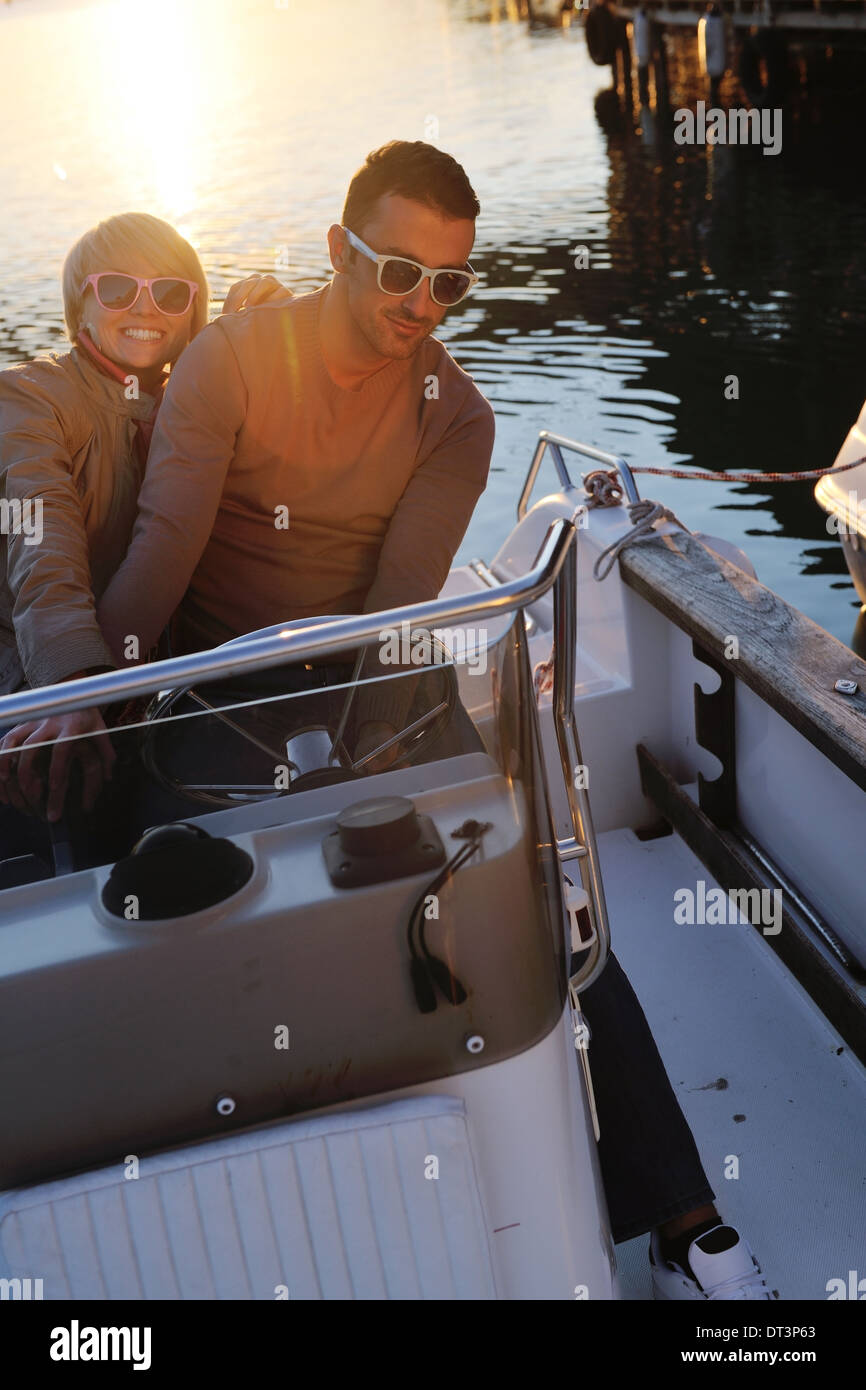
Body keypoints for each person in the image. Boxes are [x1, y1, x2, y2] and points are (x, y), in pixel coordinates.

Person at [1, 145, 770, 1300]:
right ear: (336, 251)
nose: (420, 305)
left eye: (448, 284)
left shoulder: (454, 414)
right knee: (171, 909)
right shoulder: (227, 359)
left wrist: (346, 770)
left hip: (380, 685)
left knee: (533, 897)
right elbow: (155, 566)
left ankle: (686, 1219)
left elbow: (402, 608)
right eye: (397, 270)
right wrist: (84, 704)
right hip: (219, 692)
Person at [0, 211, 290, 821]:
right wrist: (75, 683)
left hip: (162, 677)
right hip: (38, 670)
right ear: (80, 305)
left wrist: (268, 340)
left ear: (192, 310)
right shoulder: (28, 398)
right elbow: (38, 538)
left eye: (168, 292)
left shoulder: (193, 399)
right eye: (116, 288)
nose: (146, 307)